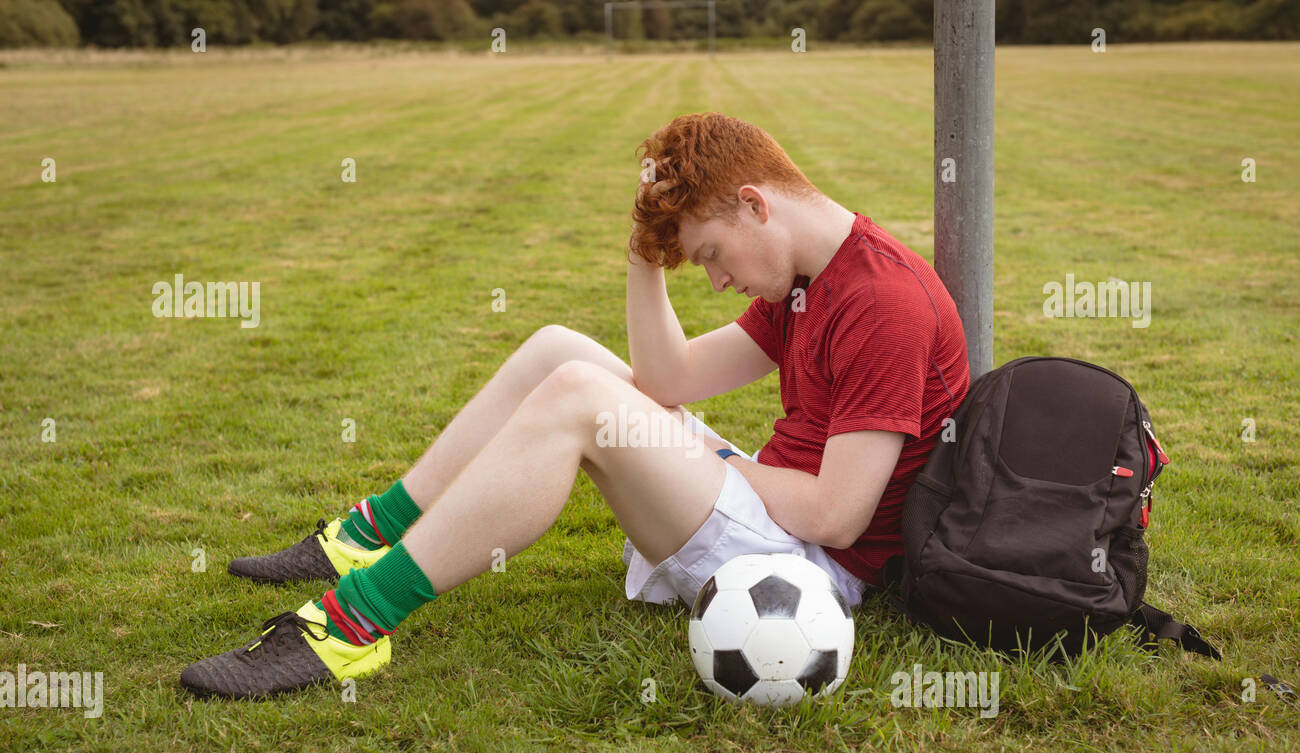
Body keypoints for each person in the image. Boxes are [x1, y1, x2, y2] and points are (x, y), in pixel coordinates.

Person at [179, 111, 971, 700]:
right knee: (561, 347)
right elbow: (668, 381)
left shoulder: (881, 300)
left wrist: (717, 459)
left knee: (579, 399)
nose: (718, 280)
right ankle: (367, 536)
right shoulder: (806, 278)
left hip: (803, 565)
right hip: (762, 509)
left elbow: (836, 515)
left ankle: (351, 626)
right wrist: (644, 252)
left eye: (710, 256)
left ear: (756, 205)